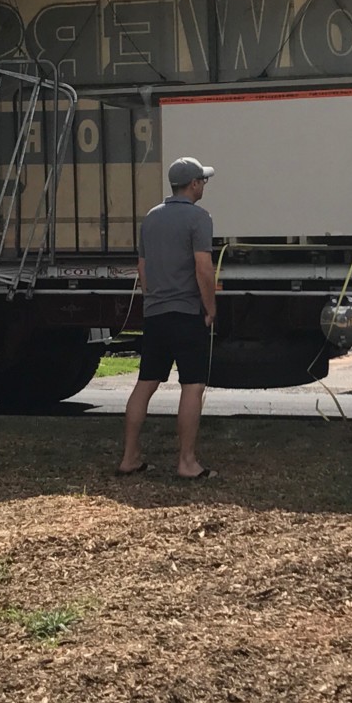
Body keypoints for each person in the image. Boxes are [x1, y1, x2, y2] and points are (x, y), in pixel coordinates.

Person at [117, 156, 218, 480]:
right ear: (193, 184)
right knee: (192, 386)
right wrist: (210, 307)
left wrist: (153, 298)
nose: (204, 185)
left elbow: (143, 268)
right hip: (187, 312)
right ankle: (187, 462)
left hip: (156, 314)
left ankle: (129, 457)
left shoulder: (151, 219)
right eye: (202, 180)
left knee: (145, 383)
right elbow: (203, 268)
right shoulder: (199, 218)